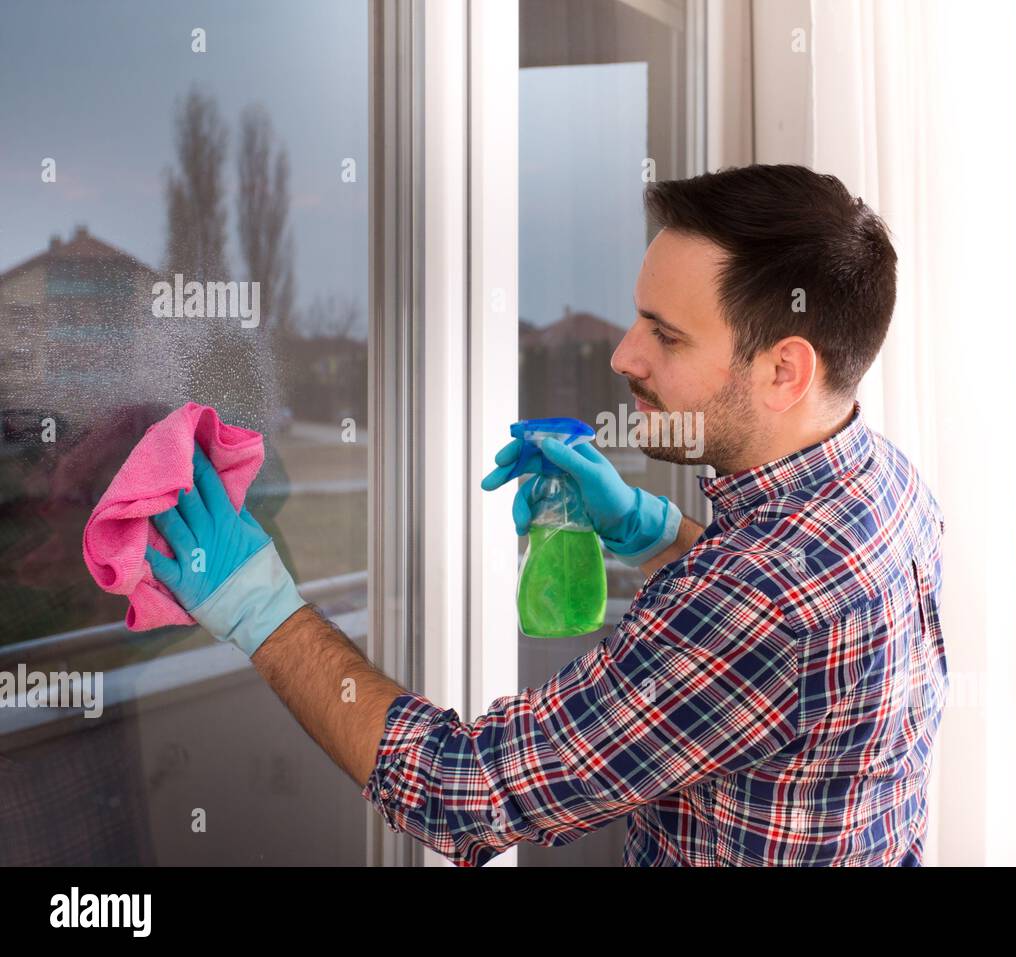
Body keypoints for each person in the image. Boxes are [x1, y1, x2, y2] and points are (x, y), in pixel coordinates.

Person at [143, 164, 948, 866]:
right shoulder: (887, 485)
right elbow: (789, 630)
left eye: (664, 336)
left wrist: (263, 608)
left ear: (784, 370)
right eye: (638, 317)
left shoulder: (759, 600)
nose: (623, 355)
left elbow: (464, 791)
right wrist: (657, 532)